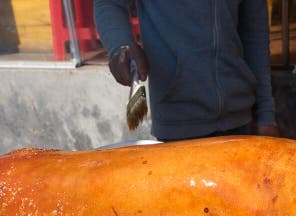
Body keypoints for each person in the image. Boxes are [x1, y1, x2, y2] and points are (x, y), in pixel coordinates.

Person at [94, 0, 279, 141]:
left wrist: (265, 114)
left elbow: (254, 33)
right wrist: (120, 45)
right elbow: (108, 3)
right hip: (178, 124)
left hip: (241, 120)